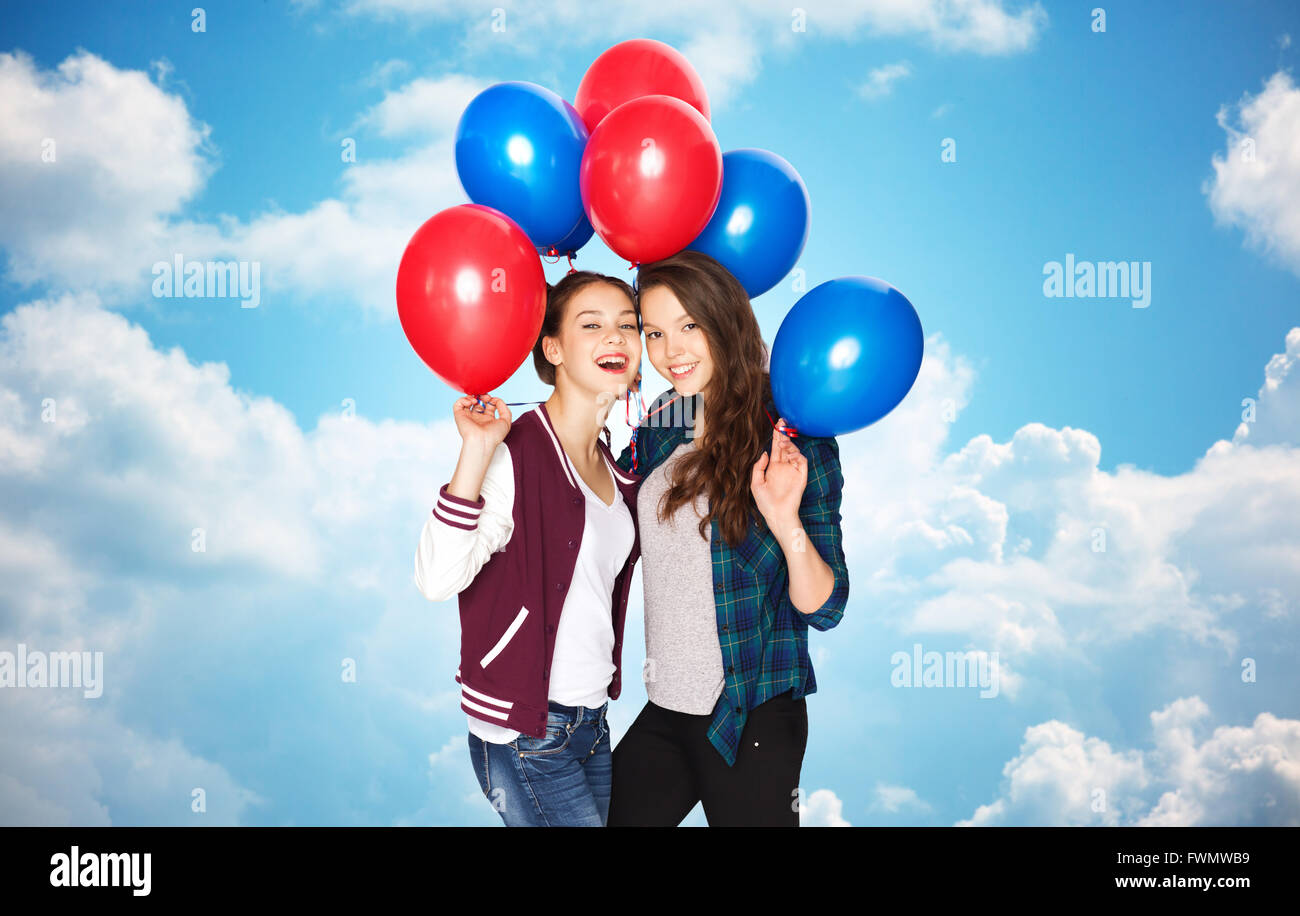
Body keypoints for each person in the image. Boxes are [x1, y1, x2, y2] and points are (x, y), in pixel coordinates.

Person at [608, 249, 849, 827]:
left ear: (726, 319)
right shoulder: (665, 417)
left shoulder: (792, 432)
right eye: (656, 332)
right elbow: (604, 508)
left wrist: (785, 516)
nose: (671, 351)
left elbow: (827, 607)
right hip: (668, 708)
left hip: (752, 714)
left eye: (689, 326)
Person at [414, 270, 643, 826]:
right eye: (592, 325)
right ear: (554, 348)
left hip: (590, 724)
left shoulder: (621, 474)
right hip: (525, 731)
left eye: (628, 326)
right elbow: (436, 579)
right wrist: (477, 451)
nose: (615, 338)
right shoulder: (515, 449)